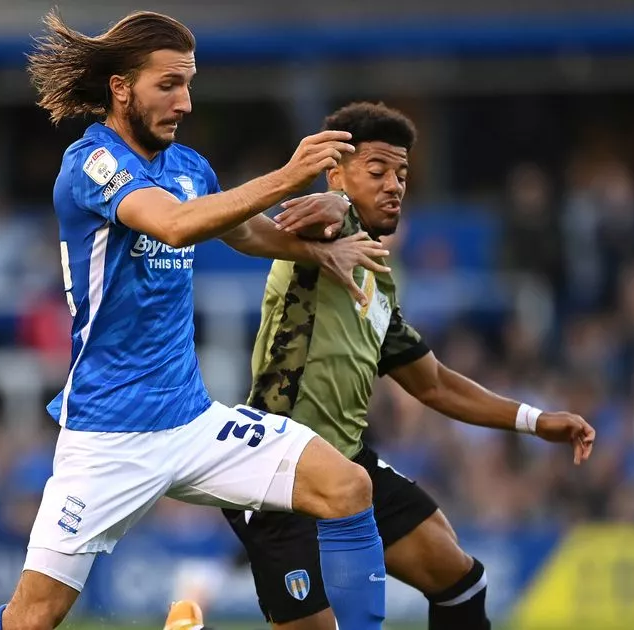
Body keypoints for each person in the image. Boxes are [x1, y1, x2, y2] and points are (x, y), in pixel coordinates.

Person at [0, 12, 393, 630]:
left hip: (193, 422)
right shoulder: (90, 166)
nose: (184, 101)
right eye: (168, 85)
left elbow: (238, 230)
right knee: (31, 619)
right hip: (109, 436)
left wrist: (319, 250)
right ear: (120, 88)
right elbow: (175, 224)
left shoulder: (187, 166)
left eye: (189, 84)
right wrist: (289, 176)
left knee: (347, 487)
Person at [217, 102, 597, 630]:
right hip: (277, 468)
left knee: (459, 577)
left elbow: (434, 383)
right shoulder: (325, 229)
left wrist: (534, 420)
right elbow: (307, 218)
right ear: (336, 172)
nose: (394, 185)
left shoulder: (378, 284)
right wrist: (329, 201)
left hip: (347, 464)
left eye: (401, 174)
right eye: (376, 171)